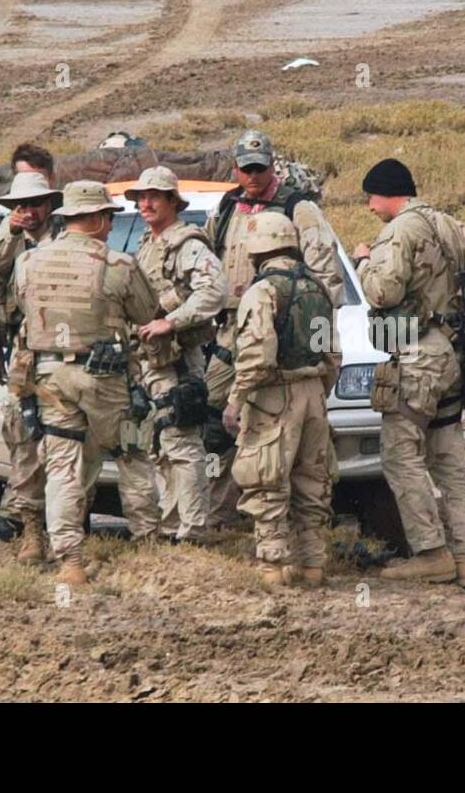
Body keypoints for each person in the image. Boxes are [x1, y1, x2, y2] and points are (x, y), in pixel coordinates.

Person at [352, 159, 465, 589]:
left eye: (370, 197)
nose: (369, 207)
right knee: (448, 459)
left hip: (418, 355)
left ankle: (429, 552)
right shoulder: (451, 225)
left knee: (399, 453)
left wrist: (363, 262)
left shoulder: (400, 230)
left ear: (389, 193)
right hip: (455, 356)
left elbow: (384, 290)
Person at [11, 181, 160, 583]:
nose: (110, 226)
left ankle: (70, 561)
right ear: (95, 218)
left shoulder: (29, 262)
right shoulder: (118, 266)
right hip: (105, 379)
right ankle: (148, 547)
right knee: (131, 453)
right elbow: (147, 313)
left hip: (50, 378)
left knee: (61, 466)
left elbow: (23, 307)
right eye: (108, 217)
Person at [203, 130, 344, 528]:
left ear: (272, 165)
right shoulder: (228, 207)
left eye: (260, 169)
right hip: (233, 329)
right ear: (235, 168)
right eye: (246, 169)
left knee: (293, 423)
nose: (253, 176)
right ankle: (223, 516)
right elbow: (211, 262)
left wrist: (313, 341)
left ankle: (303, 520)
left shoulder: (299, 209)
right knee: (218, 422)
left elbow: (326, 281)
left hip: (285, 329)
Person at [224, 212, 336, 587]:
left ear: (256, 251)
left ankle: (272, 566)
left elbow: (257, 354)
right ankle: (313, 564)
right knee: (312, 480)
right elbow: (332, 353)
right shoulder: (317, 288)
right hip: (314, 392)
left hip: (274, 395)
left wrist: (236, 400)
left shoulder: (263, 290)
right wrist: (321, 391)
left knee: (266, 479)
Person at [125, 167, 226, 542]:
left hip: (179, 360)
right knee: (161, 445)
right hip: (152, 361)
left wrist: (172, 322)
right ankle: (171, 527)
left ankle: (194, 528)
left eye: (155, 196)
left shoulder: (187, 244)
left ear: (172, 201)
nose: (146, 203)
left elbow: (214, 291)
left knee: (183, 443)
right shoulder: (149, 244)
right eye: (141, 197)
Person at [0, 171, 64, 563]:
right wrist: (10, 231)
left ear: (50, 206)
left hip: (62, 353)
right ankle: (28, 526)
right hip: (23, 353)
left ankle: (66, 528)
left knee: (65, 440)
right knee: (21, 433)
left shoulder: (64, 241)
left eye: (35, 205)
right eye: (20, 206)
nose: (28, 212)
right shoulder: (12, 244)